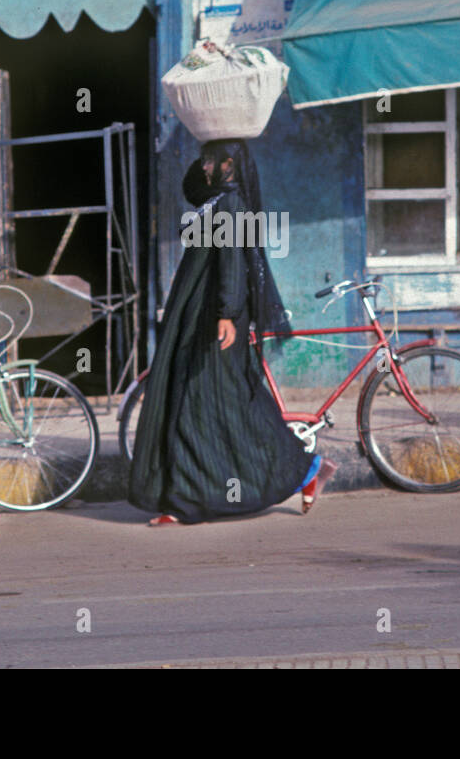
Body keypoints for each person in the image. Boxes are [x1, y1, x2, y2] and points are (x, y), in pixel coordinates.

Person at [128, 139, 336, 526]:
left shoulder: (232, 204)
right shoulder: (214, 199)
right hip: (197, 316)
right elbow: (191, 188)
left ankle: (187, 502)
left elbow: (232, 265)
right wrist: (208, 145)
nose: (203, 167)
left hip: (215, 320)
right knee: (227, 405)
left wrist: (226, 313)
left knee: (200, 404)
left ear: (228, 165)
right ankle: (306, 470)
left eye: (211, 160)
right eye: (204, 159)